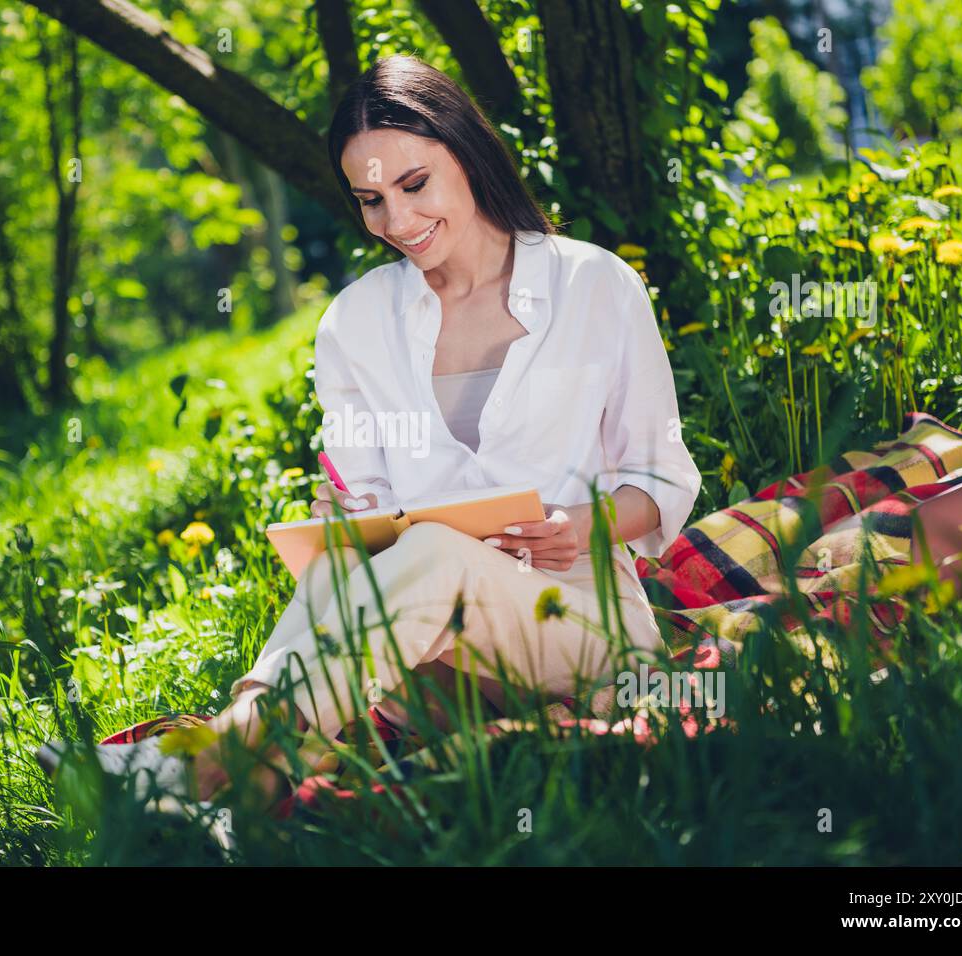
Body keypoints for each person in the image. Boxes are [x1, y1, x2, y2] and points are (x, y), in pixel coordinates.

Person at [38, 54, 702, 813]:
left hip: (581, 637)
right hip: (432, 671)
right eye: (371, 200)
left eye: (415, 185)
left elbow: (662, 478)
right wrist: (345, 520)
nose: (398, 221)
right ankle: (242, 764)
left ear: (466, 151)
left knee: (429, 553)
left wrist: (587, 525)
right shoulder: (353, 324)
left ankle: (208, 760)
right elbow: (368, 509)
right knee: (347, 557)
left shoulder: (595, 285)